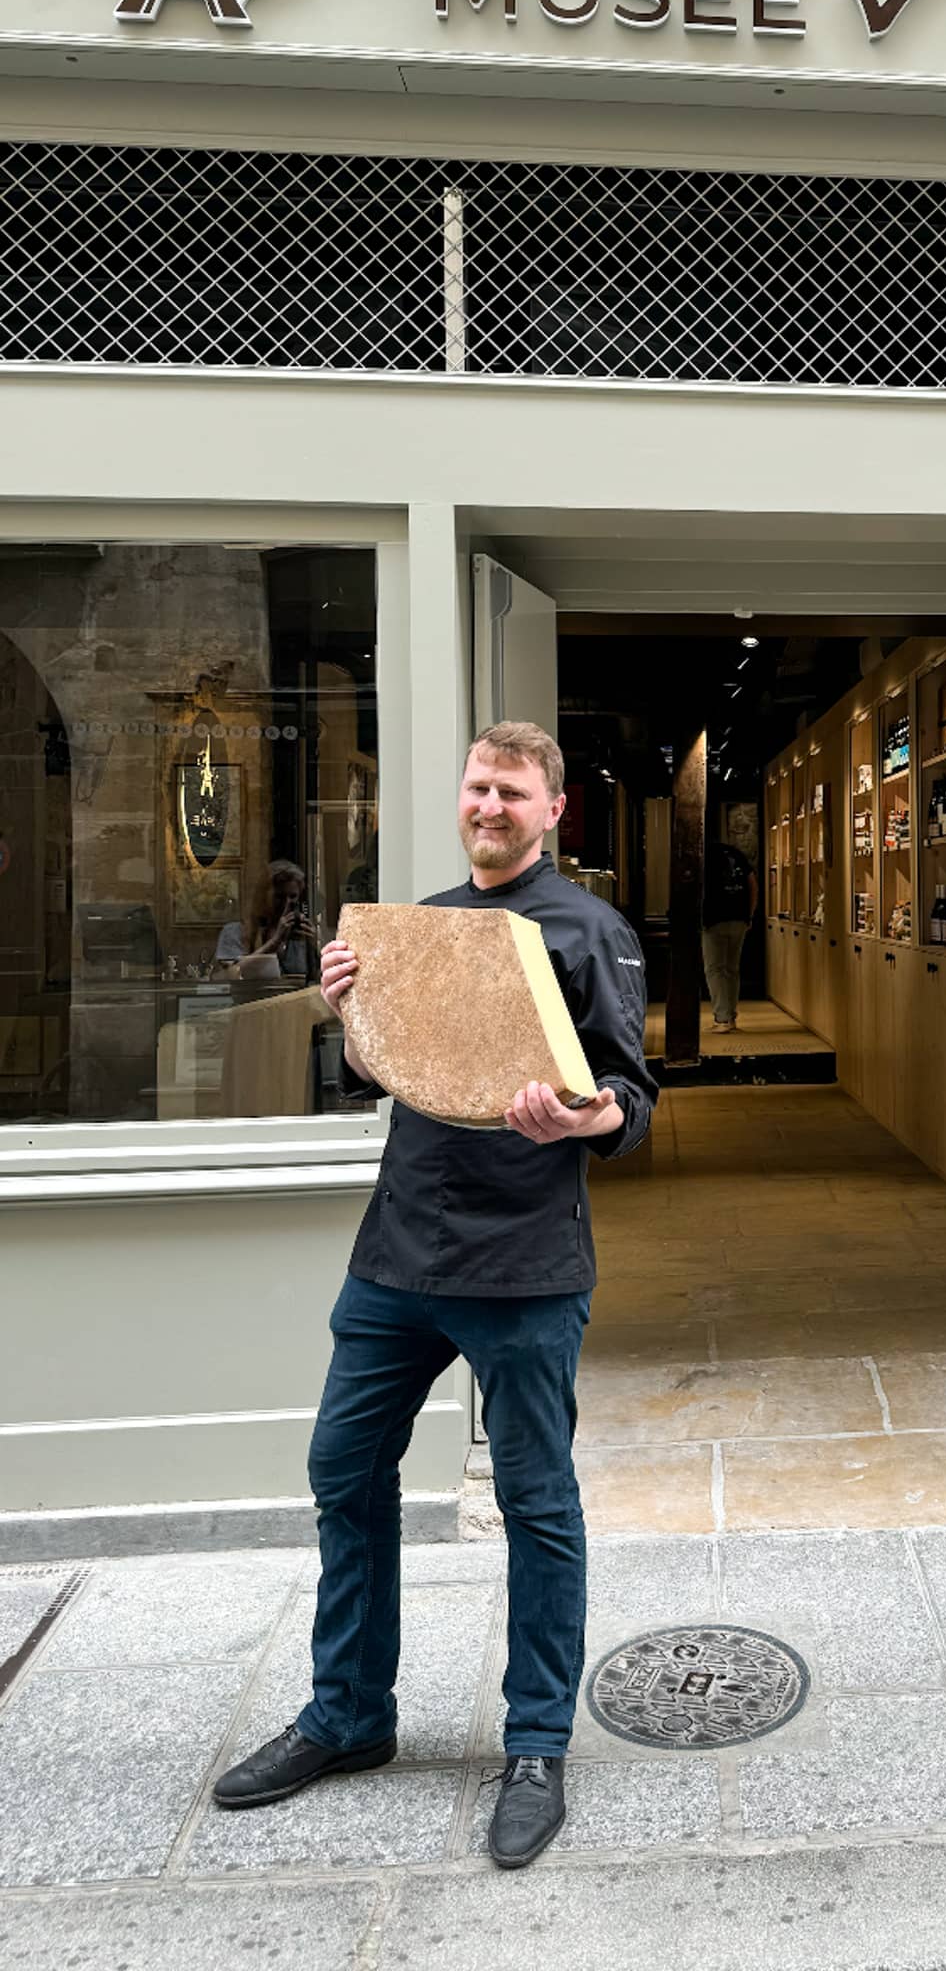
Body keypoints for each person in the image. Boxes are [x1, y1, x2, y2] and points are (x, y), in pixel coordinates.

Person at [211, 721, 657, 1871]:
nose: (488, 806)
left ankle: (536, 1746)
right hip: (397, 1255)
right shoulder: (419, 927)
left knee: (535, 1501)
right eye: (476, 787)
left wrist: (583, 1117)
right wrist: (346, 1015)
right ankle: (348, 1716)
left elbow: (631, 1101)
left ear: (552, 809)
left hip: (523, 1266)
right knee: (342, 1468)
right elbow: (387, 1069)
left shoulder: (590, 931)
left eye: (511, 790)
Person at [214, 858, 319, 987]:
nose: (286, 904)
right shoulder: (234, 932)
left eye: (292, 897)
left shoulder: (299, 935)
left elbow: (316, 979)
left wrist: (314, 947)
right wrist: (274, 942)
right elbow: (230, 975)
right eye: (279, 897)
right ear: (263, 896)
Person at [700, 833, 756, 1032]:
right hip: (739, 918)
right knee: (732, 969)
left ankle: (722, 1019)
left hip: (714, 919)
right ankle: (730, 1016)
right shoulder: (736, 854)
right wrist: (749, 915)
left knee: (715, 969)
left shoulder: (702, 856)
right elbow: (752, 884)